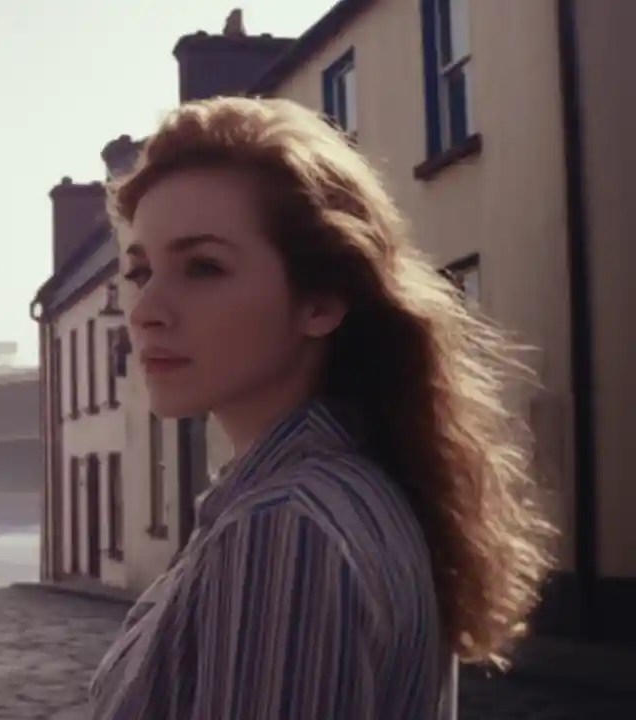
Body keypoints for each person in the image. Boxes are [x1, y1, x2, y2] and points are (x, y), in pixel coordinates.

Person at [87, 97, 554, 720]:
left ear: (321, 302)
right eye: (142, 271)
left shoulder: (285, 528)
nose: (146, 309)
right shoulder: (343, 488)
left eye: (203, 267)